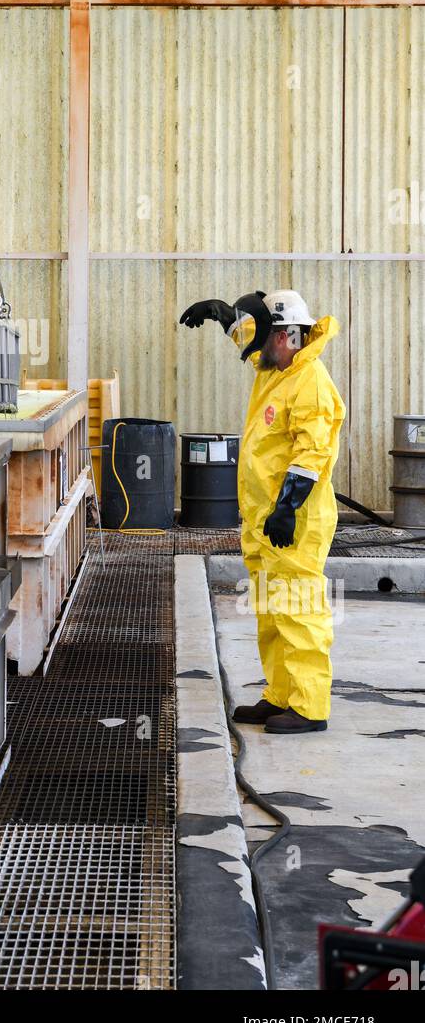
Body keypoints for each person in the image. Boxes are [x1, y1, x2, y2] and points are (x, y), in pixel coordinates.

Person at [179, 290, 346, 734]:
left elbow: (313, 451)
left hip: (296, 519)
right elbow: (251, 342)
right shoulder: (278, 369)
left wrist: (288, 506)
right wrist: (222, 316)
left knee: (298, 609)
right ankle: (280, 695)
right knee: (272, 609)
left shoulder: (310, 381)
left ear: (288, 335)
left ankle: (309, 706)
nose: (258, 350)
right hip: (265, 518)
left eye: (266, 339)